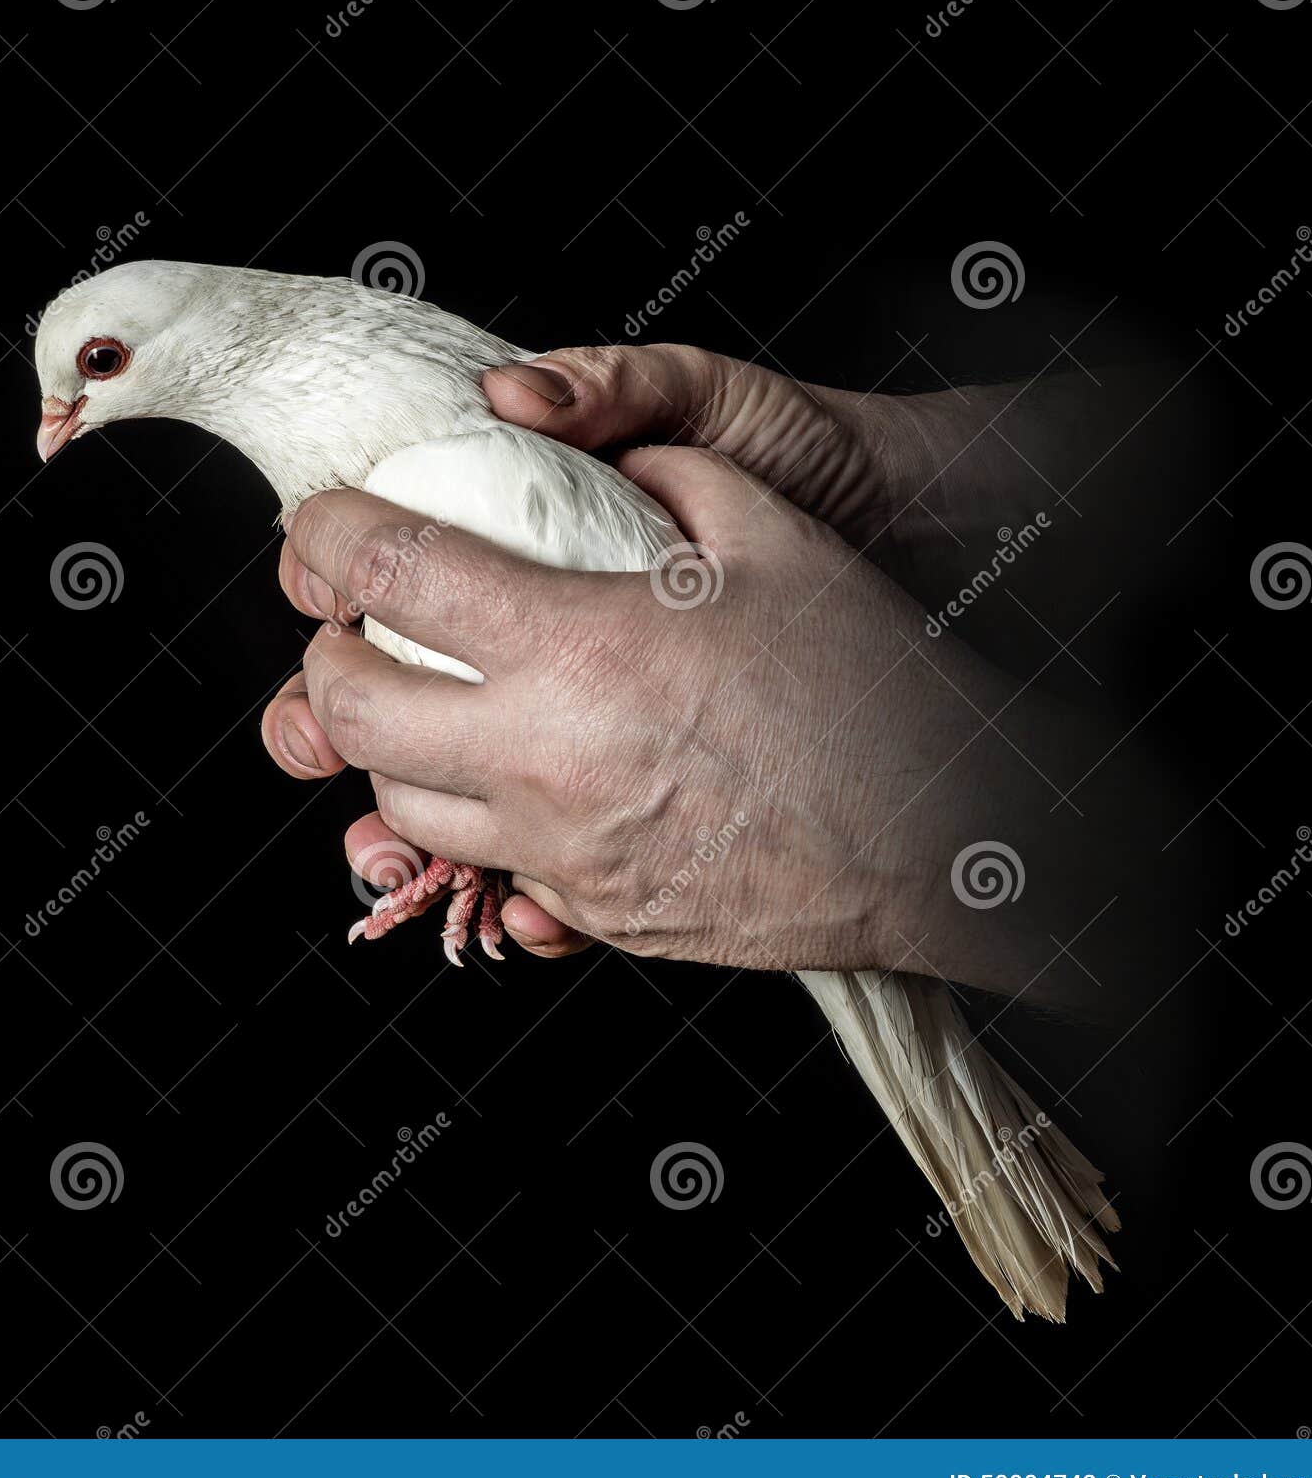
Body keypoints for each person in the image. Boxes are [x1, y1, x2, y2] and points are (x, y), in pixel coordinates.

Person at [260, 344, 1184, 1011]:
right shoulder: (438, 464)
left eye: (102, 365)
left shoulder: (457, 472)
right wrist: (887, 485)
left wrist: (913, 840)